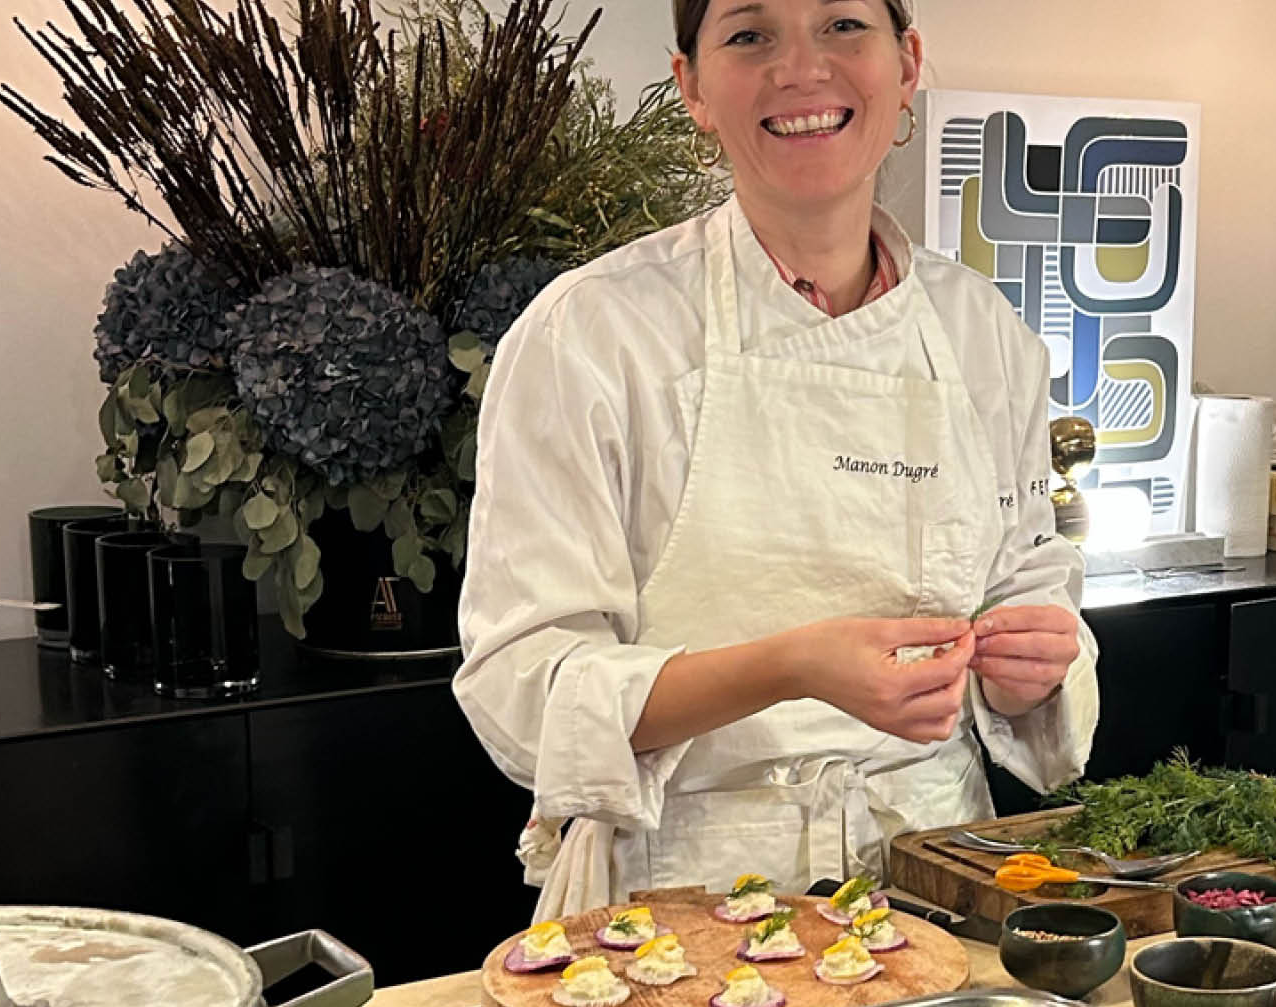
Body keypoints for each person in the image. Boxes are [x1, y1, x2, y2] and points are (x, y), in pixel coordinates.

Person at [454, 0, 1099, 919]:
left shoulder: (981, 329)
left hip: (936, 875)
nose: (801, 69)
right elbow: (523, 689)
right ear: (692, 86)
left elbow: (1026, 568)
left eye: (844, 25)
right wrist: (789, 666)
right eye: (750, 35)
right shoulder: (591, 332)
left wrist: (1032, 656)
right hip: (677, 900)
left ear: (907, 64)